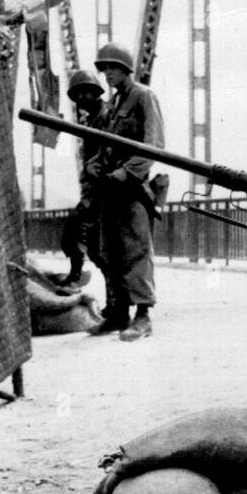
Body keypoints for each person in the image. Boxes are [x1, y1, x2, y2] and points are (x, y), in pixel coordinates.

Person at [87, 43, 165, 342]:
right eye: (104, 68)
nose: (107, 73)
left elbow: (154, 143)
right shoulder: (112, 106)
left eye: (112, 67)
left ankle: (143, 315)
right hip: (110, 188)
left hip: (132, 188)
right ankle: (118, 313)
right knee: (110, 252)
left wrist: (127, 171)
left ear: (125, 69)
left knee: (136, 250)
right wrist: (95, 165)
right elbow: (105, 146)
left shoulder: (143, 97)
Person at [57, 69, 106, 289]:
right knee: (87, 241)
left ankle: (76, 276)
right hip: (94, 188)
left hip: (103, 188)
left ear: (94, 94)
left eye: (85, 94)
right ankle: (77, 274)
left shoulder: (105, 117)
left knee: (80, 234)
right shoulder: (93, 119)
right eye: (77, 96)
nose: (81, 100)